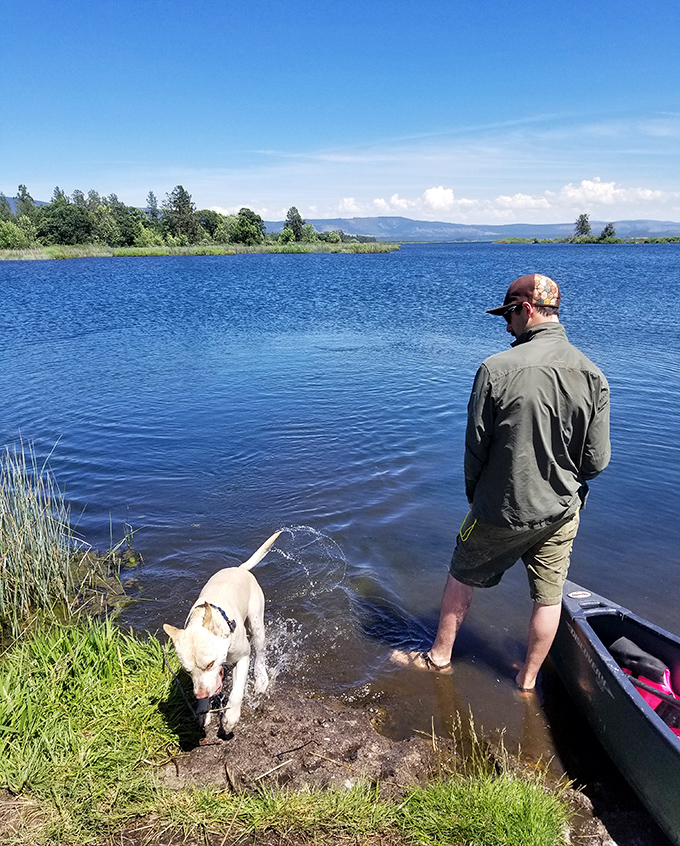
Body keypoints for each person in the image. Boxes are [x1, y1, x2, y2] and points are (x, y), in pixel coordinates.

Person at [393, 274, 611, 691]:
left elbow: (476, 450)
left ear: (527, 310)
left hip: (501, 508)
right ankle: (527, 682)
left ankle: (439, 658)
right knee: (548, 596)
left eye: (508, 315)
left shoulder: (495, 369)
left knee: (461, 572)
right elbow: (597, 461)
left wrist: (477, 498)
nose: (506, 325)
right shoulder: (592, 374)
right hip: (561, 511)